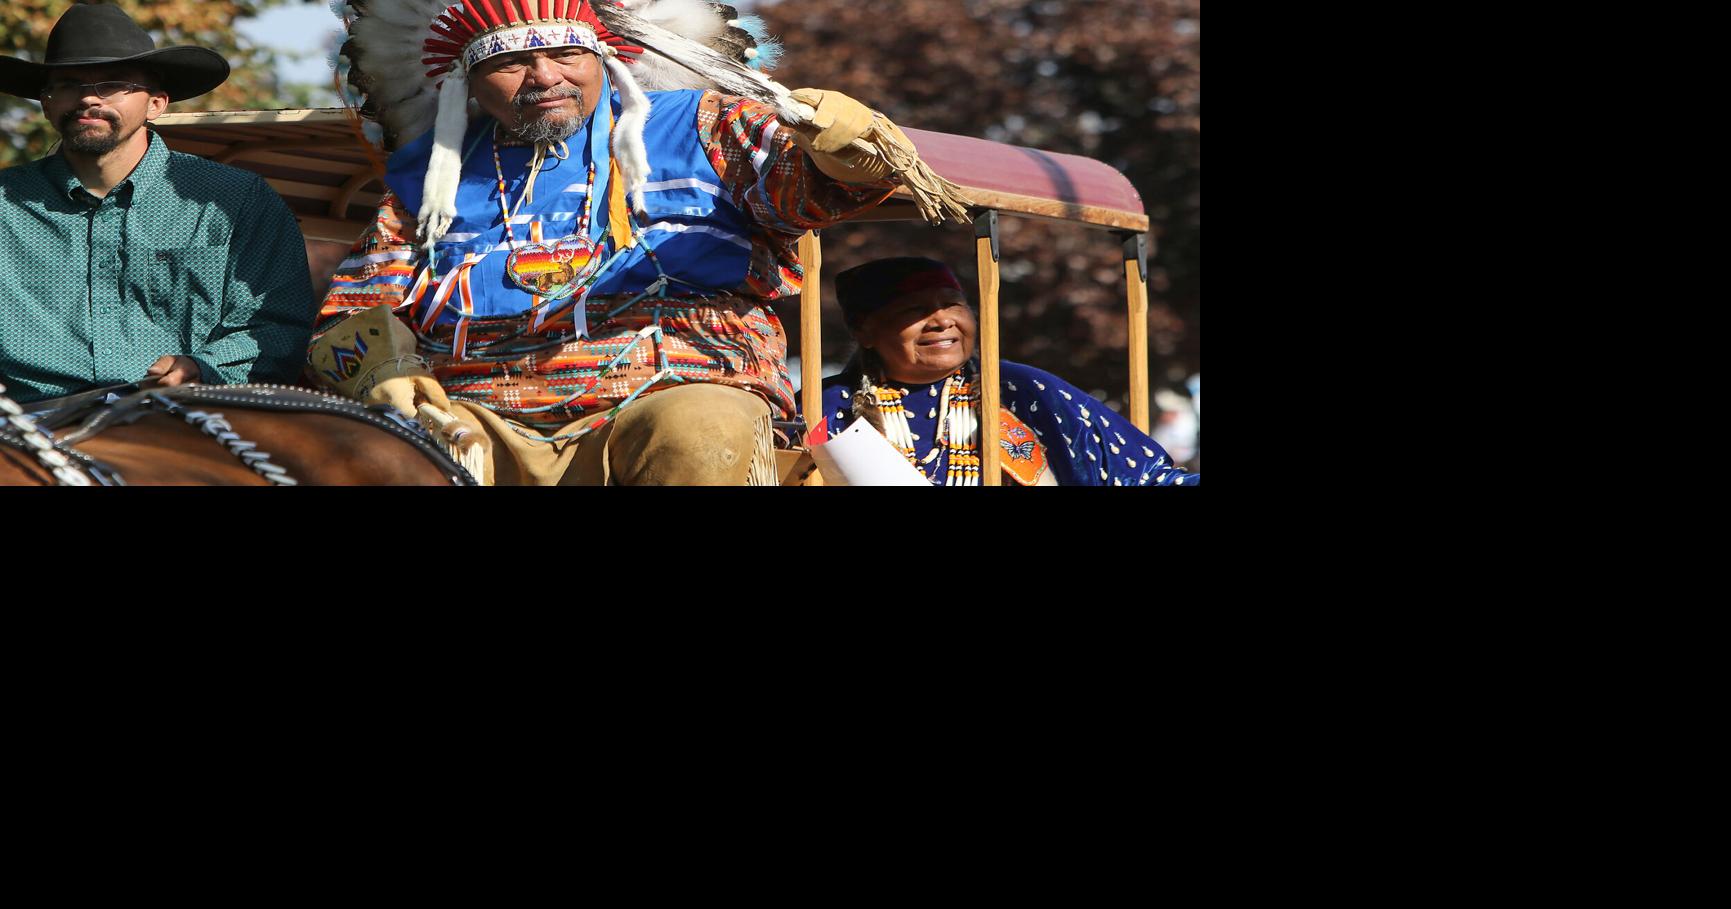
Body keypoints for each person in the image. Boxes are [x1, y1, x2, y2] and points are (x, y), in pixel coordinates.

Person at [310, 0, 948, 485]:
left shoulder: (704, 122)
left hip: (672, 394)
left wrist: (847, 151)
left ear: (603, 58)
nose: (543, 77)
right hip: (480, 417)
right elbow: (358, 304)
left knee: (700, 430)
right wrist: (382, 370)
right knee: (391, 452)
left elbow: (809, 187)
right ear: (466, 81)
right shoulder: (435, 175)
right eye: (510, 61)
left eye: (566, 54)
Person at [0, 3, 317, 405]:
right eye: (67, 84)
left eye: (112, 84)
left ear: (156, 104)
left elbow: (277, 326)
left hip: (190, 416)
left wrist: (204, 368)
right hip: (29, 424)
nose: (87, 99)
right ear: (46, 104)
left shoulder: (232, 200)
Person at [818, 257, 1200, 486]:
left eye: (952, 304)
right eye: (913, 311)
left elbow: (1142, 475)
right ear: (865, 331)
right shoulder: (827, 410)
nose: (941, 321)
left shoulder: (1019, 389)